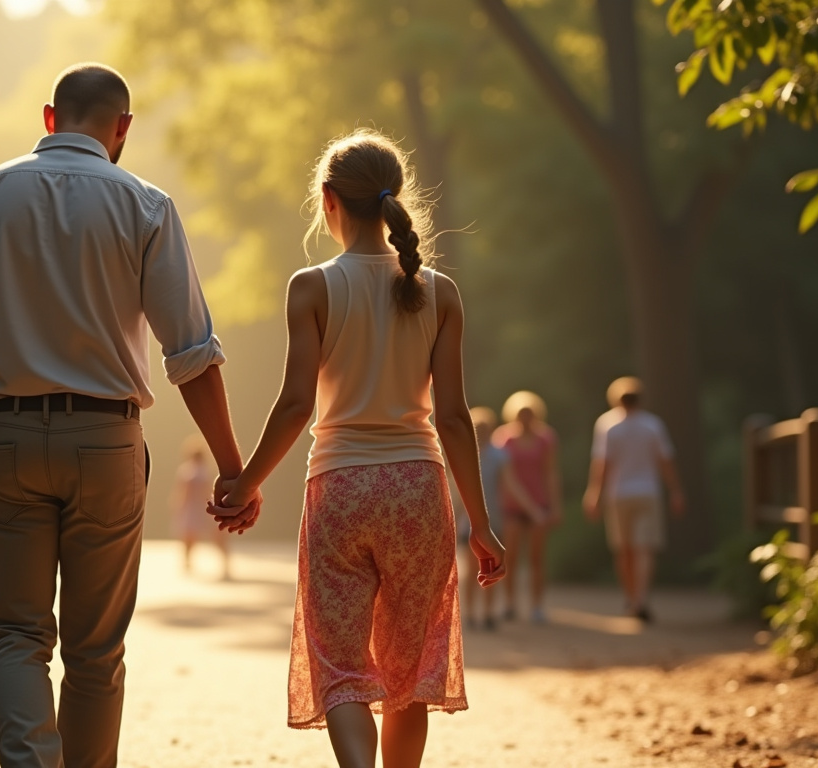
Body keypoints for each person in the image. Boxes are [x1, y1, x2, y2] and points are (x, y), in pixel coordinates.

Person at [0, 62, 258, 768]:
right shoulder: (147, 205)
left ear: (49, 118)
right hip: (106, 441)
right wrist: (232, 469)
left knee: (16, 634)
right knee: (96, 649)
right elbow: (192, 354)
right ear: (122, 128)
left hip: (4, 437)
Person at [209, 129, 506, 768]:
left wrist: (247, 482)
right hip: (417, 493)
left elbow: (295, 405)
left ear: (327, 200)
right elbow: (454, 417)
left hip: (339, 489)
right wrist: (479, 523)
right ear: (393, 198)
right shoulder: (441, 292)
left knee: (342, 667)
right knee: (409, 672)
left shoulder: (311, 287)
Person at [582, 376, 684, 623]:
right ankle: (641, 599)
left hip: (619, 495)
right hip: (648, 492)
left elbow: (601, 464)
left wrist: (594, 493)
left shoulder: (607, 425)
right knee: (644, 549)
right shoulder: (653, 425)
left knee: (623, 549)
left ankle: (631, 598)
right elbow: (665, 461)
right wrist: (676, 490)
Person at [461, 407, 540, 631]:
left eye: (484, 429)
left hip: (493, 519)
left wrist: (533, 510)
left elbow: (512, 485)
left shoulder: (499, 456)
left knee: (490, 566)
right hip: (467, 521)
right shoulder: (464, 453)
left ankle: (487, 613)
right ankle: (470, 614)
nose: (481, 433)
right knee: (470, 566)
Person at [492, 390, 561, 624]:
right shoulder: (504, 439)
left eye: (529, 413)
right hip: (510, 506)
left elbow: (551, 473)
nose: (525, 418)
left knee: (536, 558)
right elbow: (499, 474)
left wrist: (555, 506)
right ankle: (510, 603)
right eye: (521, 413)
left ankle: (537, 605)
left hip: (539, 504)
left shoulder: (546, 438)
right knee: (509, 556)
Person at [172, 437, 230, 579]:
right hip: (202, 505)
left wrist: (178, 506)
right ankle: (189, 563)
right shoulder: (204, 470)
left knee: (190, 535)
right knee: (200, 535)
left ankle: (188, 563)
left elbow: (183, 491)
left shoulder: (187, 470)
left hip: (194, 506)